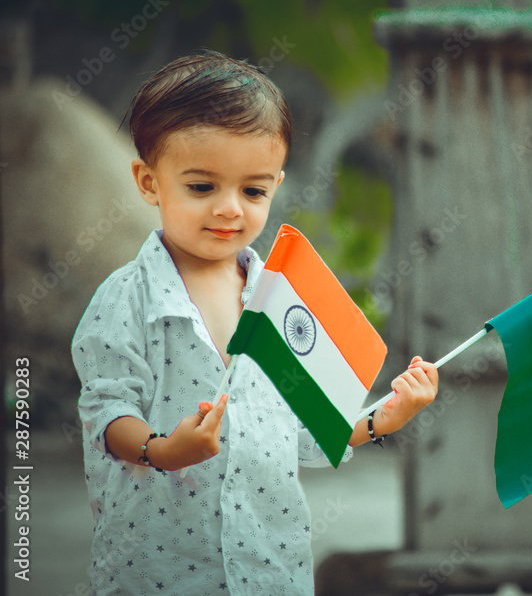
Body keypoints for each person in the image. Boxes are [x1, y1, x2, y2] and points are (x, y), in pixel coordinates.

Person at [71, 49, 438, 595]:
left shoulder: (282, 300)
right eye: (202, 187)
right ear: (149, 183)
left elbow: (307, 429)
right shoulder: (127, 298)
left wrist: (385, 416)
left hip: (270, 569)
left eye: (253, 190)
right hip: (159, 571)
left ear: (275, 184)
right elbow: (107, 408)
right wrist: (162, 448)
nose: (229, 209)